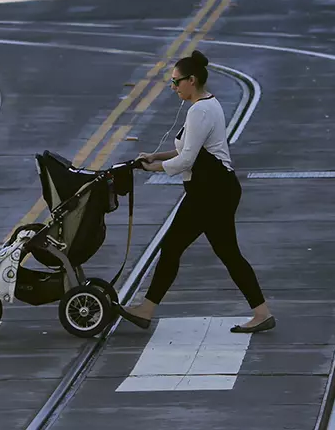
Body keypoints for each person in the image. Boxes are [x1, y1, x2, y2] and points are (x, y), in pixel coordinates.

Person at [116, 50, 275, 334]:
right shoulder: (206, 105)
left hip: (210, 193)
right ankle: (262, 312)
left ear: (192, 80)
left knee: (173, 247)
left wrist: (151, 168)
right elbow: (190, 149)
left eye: (176, 82)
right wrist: (155, 156)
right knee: (226, 252)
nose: (173, 87)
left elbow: (187, 160)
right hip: (215, 189)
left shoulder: (199, 110)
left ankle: (147, 309)